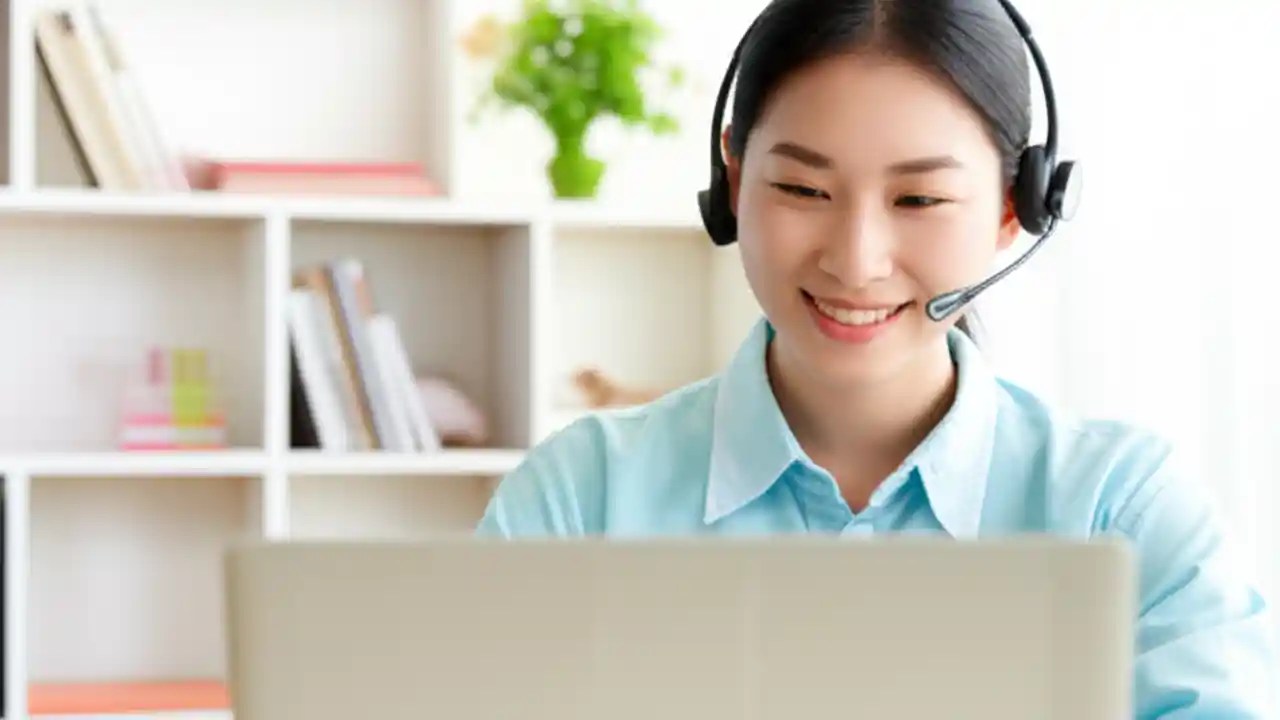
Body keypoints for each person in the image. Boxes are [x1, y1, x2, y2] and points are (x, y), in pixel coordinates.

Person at [476, 0, 1279, 715]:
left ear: (1014, 208)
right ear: (733, 181)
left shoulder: (1125, 509)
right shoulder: (582, 496)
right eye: (801, 189)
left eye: (919, 200)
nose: (856, 262)